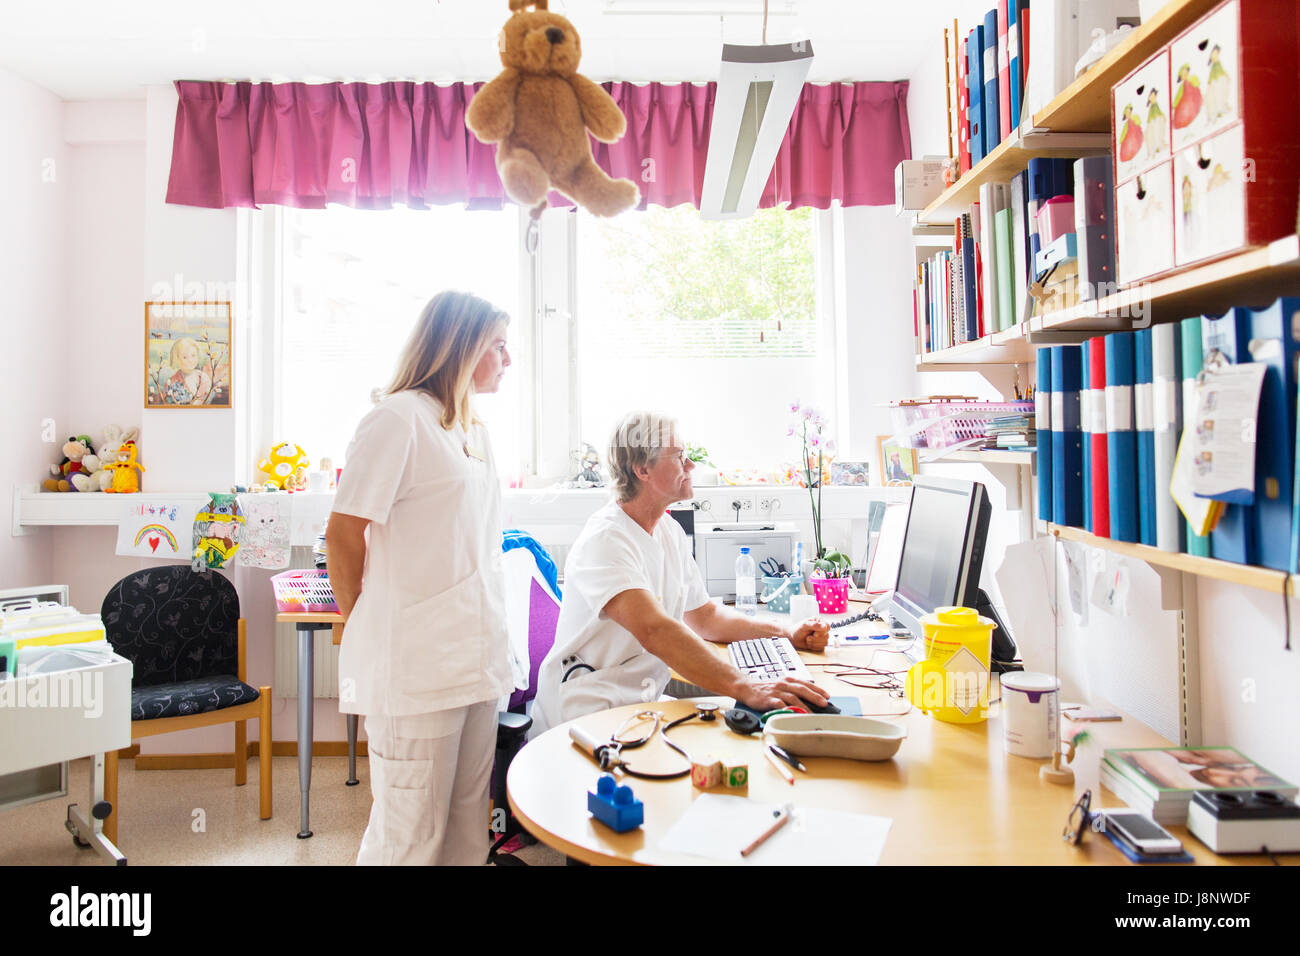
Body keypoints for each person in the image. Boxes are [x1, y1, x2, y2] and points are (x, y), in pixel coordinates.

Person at [327, 290, 513, 866]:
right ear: (462, 347)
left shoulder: (471, 429)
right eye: (499, 347)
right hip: (414, 668)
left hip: (474, 660)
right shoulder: (397, 419)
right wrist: (362, 620)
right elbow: (342, 533)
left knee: (464, 831)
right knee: (409, 836)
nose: (509, 360)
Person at [530, 411, 831, 738]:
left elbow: (705, 617)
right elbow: (655, 630)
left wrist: (787, 632)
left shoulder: (668, 530)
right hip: (585, 714)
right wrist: (746, 687)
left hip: (637, 705)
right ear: (642, 469)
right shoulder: (605, 540)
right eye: (679, 457)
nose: (690, 466)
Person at [164, 337, 212, 405]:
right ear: (176, 359)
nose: (190, 360)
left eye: (193, 355)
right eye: (185, 357)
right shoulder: (172, 382)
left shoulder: (203, 378)